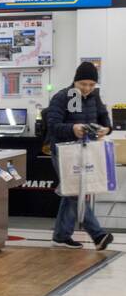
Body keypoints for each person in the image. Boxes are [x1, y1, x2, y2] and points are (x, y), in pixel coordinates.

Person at [46, 61, 114, 250]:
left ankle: (60, 236)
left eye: (91, 85)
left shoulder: (95, 97)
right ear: (75, 81)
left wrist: (105, 129)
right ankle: (98, 234)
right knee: (76, 191)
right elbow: (52, 125)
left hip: (85, 151)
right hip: (64, 151)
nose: (87, 88)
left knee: (71, 192)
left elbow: (105, 119)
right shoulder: (61, 97)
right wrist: (72, 129)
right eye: (83, 84)